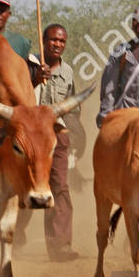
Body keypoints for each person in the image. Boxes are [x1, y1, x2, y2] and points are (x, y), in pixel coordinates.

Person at [34, 23, 84, 262]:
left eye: (62, 41)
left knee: (60, 186)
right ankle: (10, 237)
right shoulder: (30, 65)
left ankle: (60, 246)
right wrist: (35, 78)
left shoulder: (68, 73)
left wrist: (74, 135)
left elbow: (73, 108)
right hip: (32, 136)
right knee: (23, 186)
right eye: (53, 40)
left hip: (58, 135)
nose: (57, 44)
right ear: (44, 41)